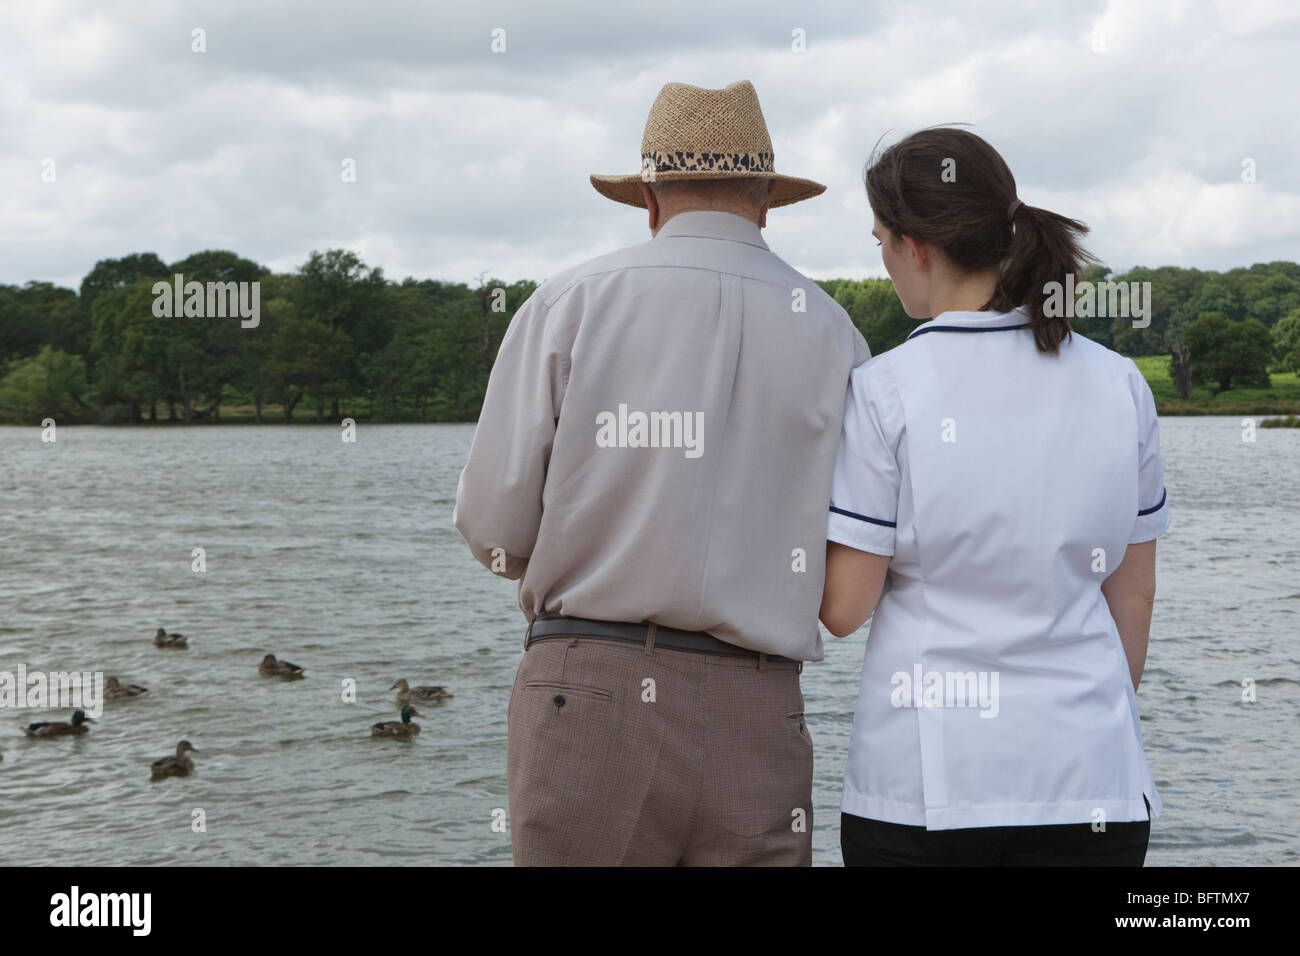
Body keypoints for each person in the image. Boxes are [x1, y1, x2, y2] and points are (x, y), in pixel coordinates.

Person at [454, 80, 870, 865]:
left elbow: (494, 529)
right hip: (760, 704)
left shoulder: (568, 304)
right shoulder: (834, 334)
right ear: (767, 202)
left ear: (648, 197)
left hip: (589, 691)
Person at [821, 127, 1169, 866]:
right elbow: (1131, 594)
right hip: (1093, 782)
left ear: (915, 247)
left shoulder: (885, 391)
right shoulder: (1120, 385)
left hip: (925, 792)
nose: (883, 262)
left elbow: (844, 609)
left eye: (881, 240)